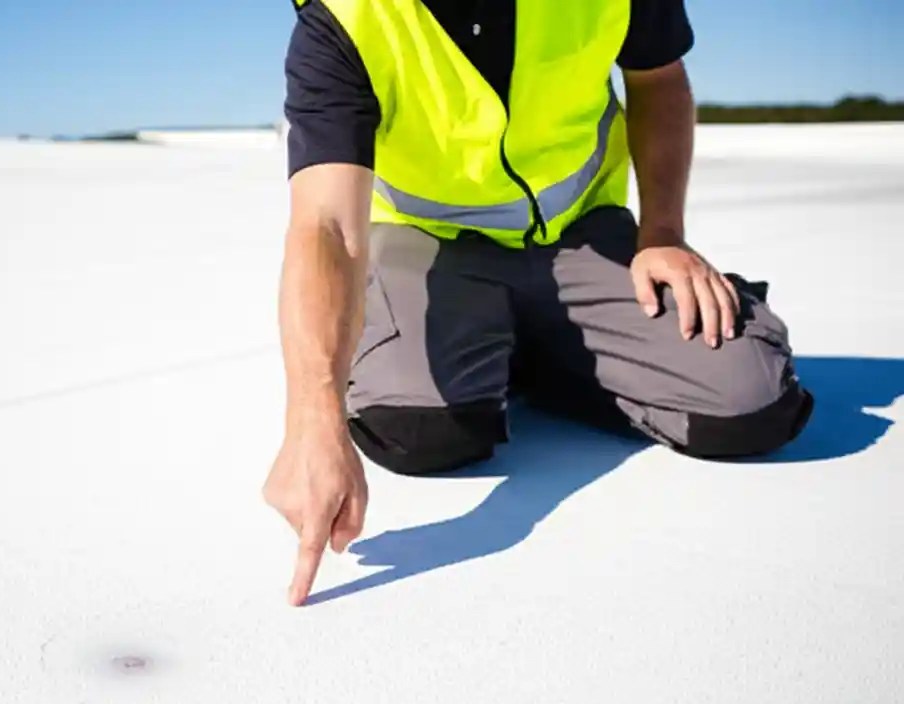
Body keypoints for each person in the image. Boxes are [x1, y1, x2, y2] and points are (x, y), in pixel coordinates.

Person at [262, 0, 814, 606]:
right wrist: (312, 420)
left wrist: (662, 234)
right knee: (417, 431)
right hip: (429, 248)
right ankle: (502, 342)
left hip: (579, 236)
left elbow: (658, 75)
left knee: (749, 398)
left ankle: (522, 347)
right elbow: (326, 226)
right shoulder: (344, 18)